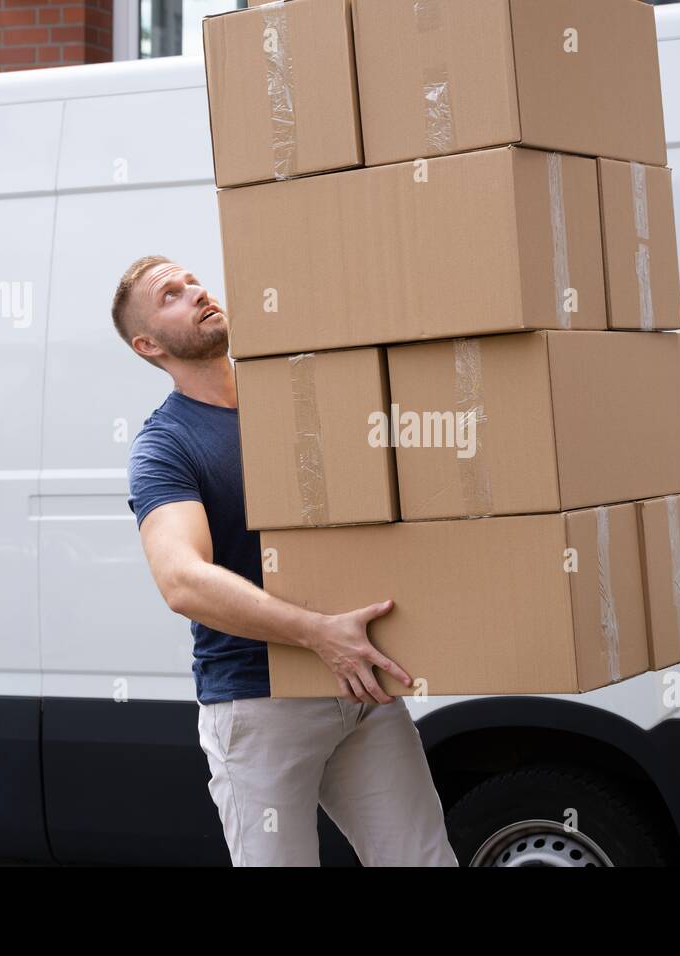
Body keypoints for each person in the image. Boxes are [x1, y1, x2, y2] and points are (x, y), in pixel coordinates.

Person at [111, 255, 458, 868]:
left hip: (359, 687)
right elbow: (182, 581)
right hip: (259, 703)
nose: (196, 292)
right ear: (148, 344)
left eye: (194, 281)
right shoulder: (165, 445)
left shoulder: (294, 405)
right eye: (171, 295)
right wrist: (319, 635)